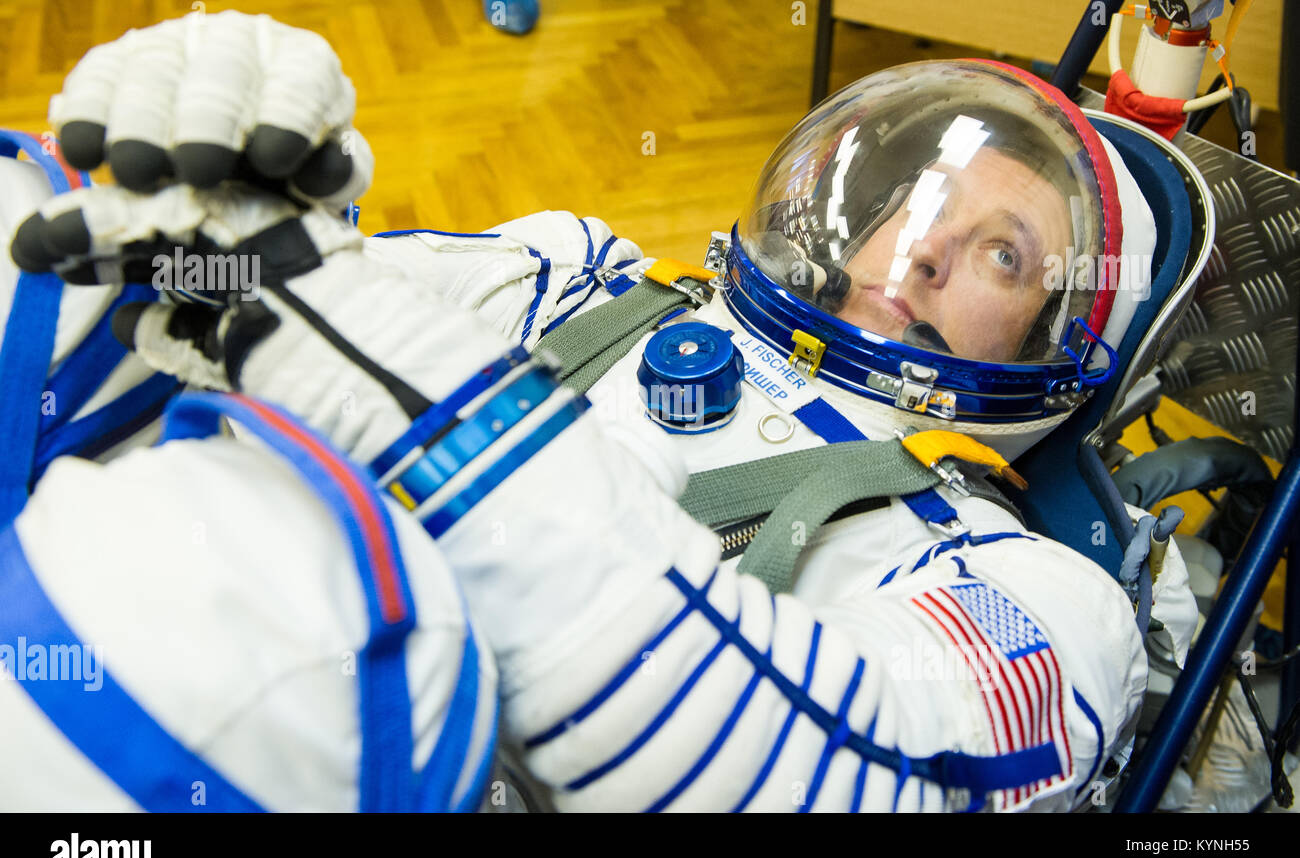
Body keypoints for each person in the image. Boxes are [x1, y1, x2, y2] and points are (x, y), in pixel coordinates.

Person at [7, 10, 1197, 811]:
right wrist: (183, 196)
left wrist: (454, 426)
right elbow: (221, 309)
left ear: (1063, 334)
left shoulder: (1038, 598)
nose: (927, 250)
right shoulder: (578, 276)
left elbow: (834, 771)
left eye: (1002, 254)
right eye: (922, 205)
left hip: (292, 711)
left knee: (203, 605)